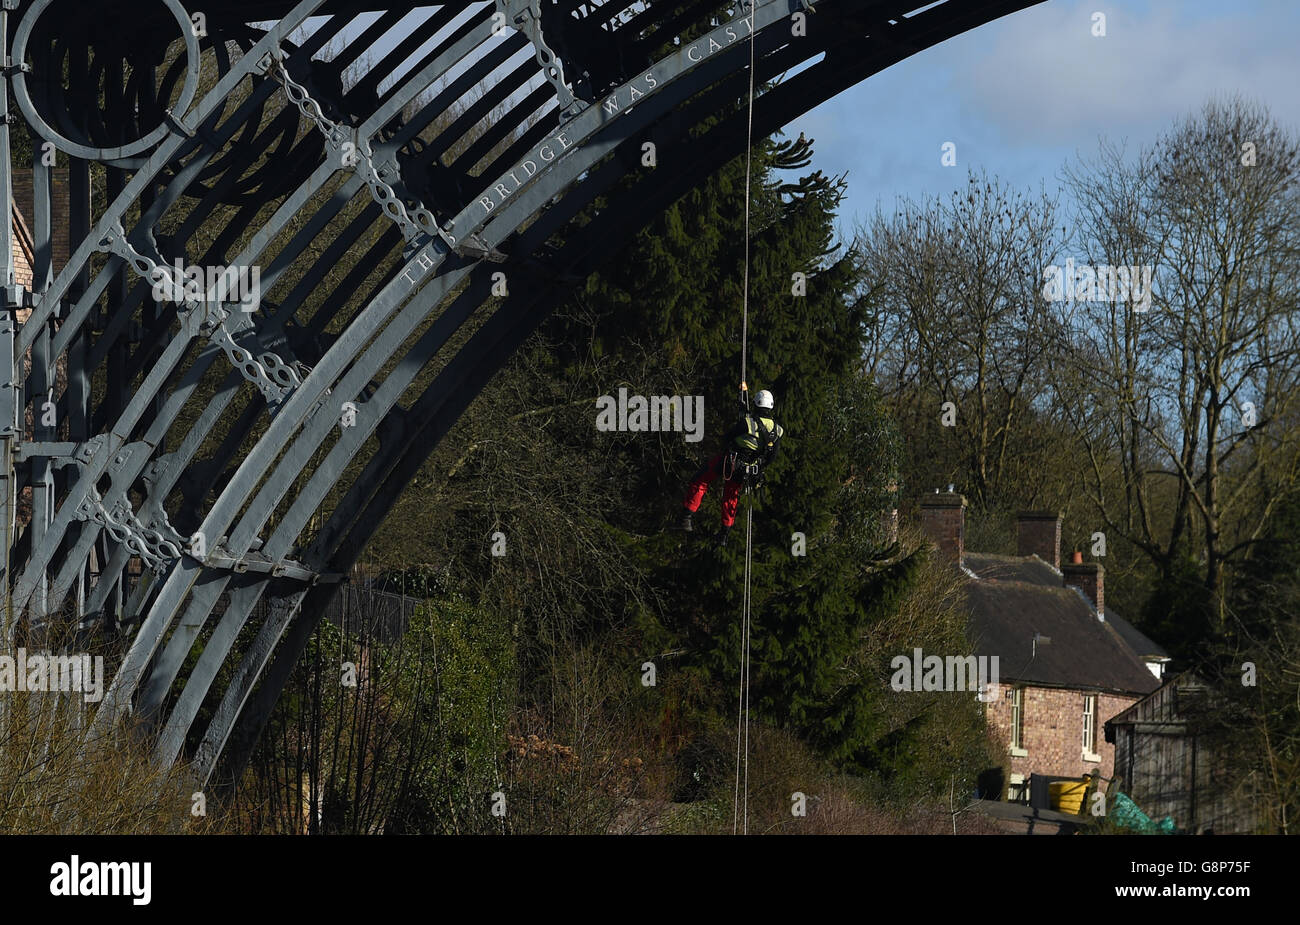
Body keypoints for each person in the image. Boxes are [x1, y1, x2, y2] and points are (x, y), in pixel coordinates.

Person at [680, 388, 784, 547]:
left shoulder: (747, 423)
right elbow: (772, 456)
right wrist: (759, 466)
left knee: (700, 480)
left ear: (756, 403)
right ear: (771, 406)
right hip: (748, 469)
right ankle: (724, 535)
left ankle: (686, 517)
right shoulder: (777, 430)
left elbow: (728, 437)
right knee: (731, 497)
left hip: (730, 461)